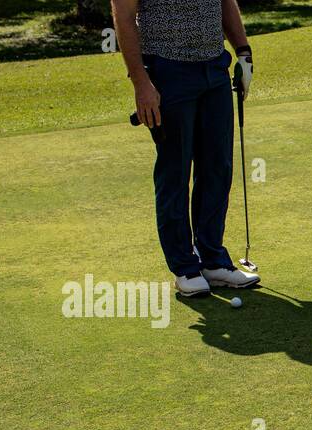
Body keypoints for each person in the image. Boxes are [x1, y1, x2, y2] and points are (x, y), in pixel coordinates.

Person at [111, 0, 261, 297]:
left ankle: (212, 259)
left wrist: (243, 52)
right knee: (175, 171)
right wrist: (141, 83)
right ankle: (184, 267)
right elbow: (124, 17)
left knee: (217, 167)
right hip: (167, 71)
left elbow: (224, 2)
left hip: (214, 66)